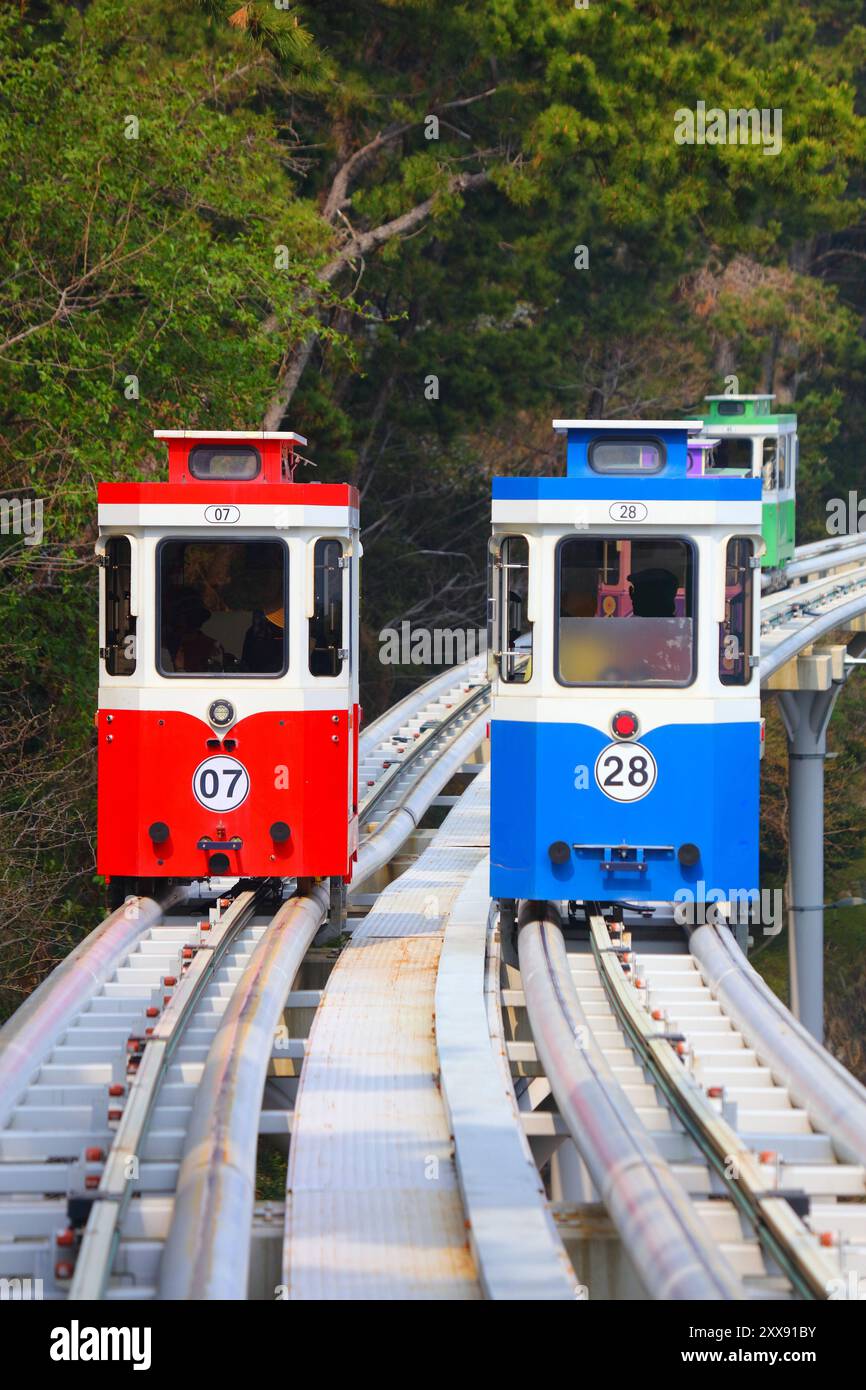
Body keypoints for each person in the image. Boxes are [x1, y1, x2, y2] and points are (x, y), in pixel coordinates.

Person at [242, 607, 284, 673]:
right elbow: (245, 656)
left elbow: (281, 657)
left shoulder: (276, 630)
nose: (260, 619)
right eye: (257, 616)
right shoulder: (250, 632)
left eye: (262, 616)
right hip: (254, 672)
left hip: (273, 673)